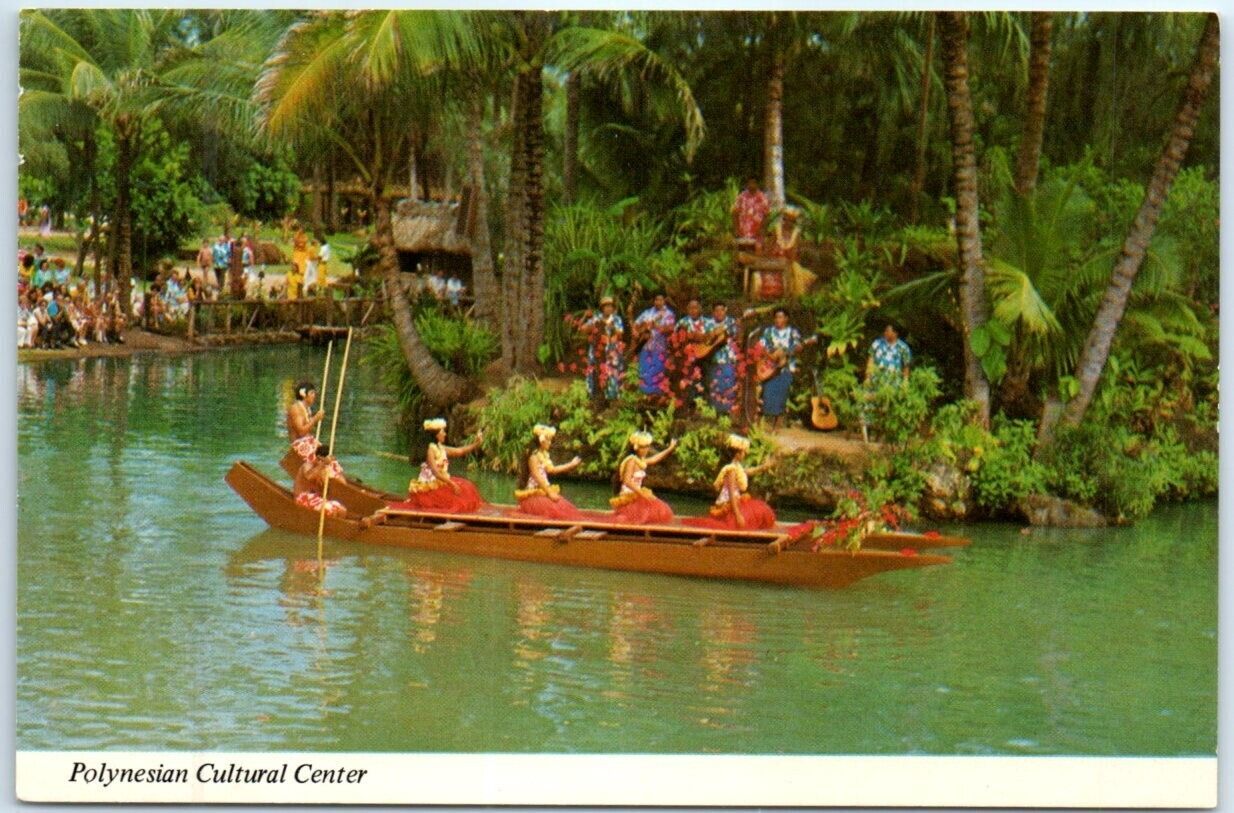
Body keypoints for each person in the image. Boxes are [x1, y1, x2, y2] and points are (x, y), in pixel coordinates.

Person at [388, 418, 486, 514]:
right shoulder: (430, 449)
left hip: (441, 482)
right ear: (436, 434)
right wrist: (452, 483)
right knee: (458, 497)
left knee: (468, 486)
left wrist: (476, 443)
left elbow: (459, 451)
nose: (445, 434)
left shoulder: (440, 447)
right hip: (429, 487)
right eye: (442, 431)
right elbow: (435, 472)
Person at [684, 434, 777, 530]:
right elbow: (731, 493)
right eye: (743, 452)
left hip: (736, 500)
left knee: (761, 510)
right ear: (737, 454)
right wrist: (738, 515)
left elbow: (748, 471)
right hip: (729, 504)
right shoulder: (731, 470)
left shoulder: (737, 466)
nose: (745, 454)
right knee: (744, 519)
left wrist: (763, 467)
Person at [513, 424, 587, 520]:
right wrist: (549, 493)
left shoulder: (543, 455)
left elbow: (552, 469)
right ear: (541, 440)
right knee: (556, 510)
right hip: (534, 493)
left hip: (543, 491)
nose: (550, 443)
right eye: (548, 440)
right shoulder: (533, 456)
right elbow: (537, 476)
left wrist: (571, 464)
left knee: (563, 507)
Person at [756, 308, 812, 430]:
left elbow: (798, 347)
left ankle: (777, 427)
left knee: (781, 396)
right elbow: (761, 346)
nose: (778, 320)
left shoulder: (792, 332)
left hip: (785, 369)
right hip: (769, 368)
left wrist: (788, 351)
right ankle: (758, 426)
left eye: (781, 317)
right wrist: (770, 355)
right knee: (765, 395)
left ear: (786, 319)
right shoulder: (768, 331)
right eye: (776, 317)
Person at [609, 431, 677, 525]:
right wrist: (641, 493)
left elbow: (654, 459)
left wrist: (669, 449)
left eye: (647, 446)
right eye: (643, 447)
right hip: (629, 495)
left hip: (637, 493)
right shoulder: (631, 461)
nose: (646, 449)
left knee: (658, 508)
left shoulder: (639, 460)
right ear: (636, 447)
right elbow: (627, 481)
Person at [861, 324, 913, 442]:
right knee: (869, 402)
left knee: (890, 404)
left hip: (893, 382)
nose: (885, 333)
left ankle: (887, 432)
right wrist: (868, 377)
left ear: (895, 333)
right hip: (876, 380)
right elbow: (871, 361)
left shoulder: (903, 348)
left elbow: (906, 366)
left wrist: (905, 381)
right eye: (885, 330)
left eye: (888, 331)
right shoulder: (877, 344)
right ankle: (868, 430)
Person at [582, 296, 625, 402]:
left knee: (612, 370)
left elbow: (620, 334)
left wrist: (612, 329)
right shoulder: (596, 318)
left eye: (610, 306)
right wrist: (586, 318)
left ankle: (612, 396)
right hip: (597, 350)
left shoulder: (616, 319)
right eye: (606, 306)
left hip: (611, 350)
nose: (608, 308)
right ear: (602, 308)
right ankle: (595, 396)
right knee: (595, 370)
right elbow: (583, 329)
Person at [634, 293, 676, 398]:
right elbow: (636, 325)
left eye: (660, 300)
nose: (658, 302)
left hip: (660, 348)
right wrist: (639, 330)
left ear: (664, 300)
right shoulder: (647, 313)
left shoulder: (669, 314)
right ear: (654, 301)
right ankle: (644, 397)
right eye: (656, 300)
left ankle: (658, 398)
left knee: (658, 373)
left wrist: (657, 326)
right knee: (645, 372)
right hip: (646, 347)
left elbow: (671, 328)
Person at [704, 302, 742, 414]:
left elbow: (738, 337)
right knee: (715, 386)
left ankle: (726, 413)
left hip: (728, 359)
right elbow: (704, 338)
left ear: (725, 310)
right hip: (713, 359)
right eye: (716, 310)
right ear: (713, 312)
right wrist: (711, 334)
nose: (719, 313)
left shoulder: (732, 322)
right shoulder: (708, 323)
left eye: (721, 310)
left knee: (728, 386)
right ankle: (715, 413)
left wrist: (738, 327)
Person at [293, 444, 347, 518]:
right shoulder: (307, 465)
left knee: (342, 510)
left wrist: (331, 475)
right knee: (330, 509)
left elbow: (343, 483)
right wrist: (323, 464)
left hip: (317, 498)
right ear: (318, 458)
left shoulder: (324, 469)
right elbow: (309, 476)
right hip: (302, 497)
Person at [674, 299, 710, 406]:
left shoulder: (708, 323)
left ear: (700, 309)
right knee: (688, 382)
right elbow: (675, 340)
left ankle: (701, 405)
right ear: (687, 310)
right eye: (691, 308)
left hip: (704, 358)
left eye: (696, 308)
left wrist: (702, 338)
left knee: (702, 382)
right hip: (687, 359)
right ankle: (688, 405)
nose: (693, 311)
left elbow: (712, 337)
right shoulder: (682, 322)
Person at [286, 381, 326, 462]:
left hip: (307, 441)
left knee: (328, 457)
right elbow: (301, 432)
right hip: (299, 445)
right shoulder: (296, 409)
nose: (314, 396)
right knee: (323, 461)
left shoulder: (306, 409)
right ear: (304, 394)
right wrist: (315, 419)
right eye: (312, 393)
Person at [731, 177, 770, 250]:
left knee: (756, 257)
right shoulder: (742, 196)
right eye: (749, 183)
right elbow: (734, 212)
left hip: (757, 234)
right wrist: (736, 229)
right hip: (742, 233)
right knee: (741, 256)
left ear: (757, 184)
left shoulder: (762, 198)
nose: (751, 185)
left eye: (753, 183)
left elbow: (766, 215)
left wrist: (762, 230)